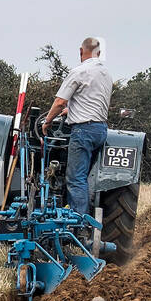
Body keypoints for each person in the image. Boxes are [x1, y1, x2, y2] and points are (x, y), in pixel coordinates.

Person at [42, 36, 111, 216]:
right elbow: (90, 100)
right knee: (85, 177)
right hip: (101, 130)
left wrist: (48, 121)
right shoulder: (106, 74)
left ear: (81, 51)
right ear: (99, 53)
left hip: (83, 131)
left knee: (75, 178)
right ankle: (84, 216)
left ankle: (77, 223)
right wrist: (70, 111)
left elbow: (59, 102)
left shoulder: (80, 71)